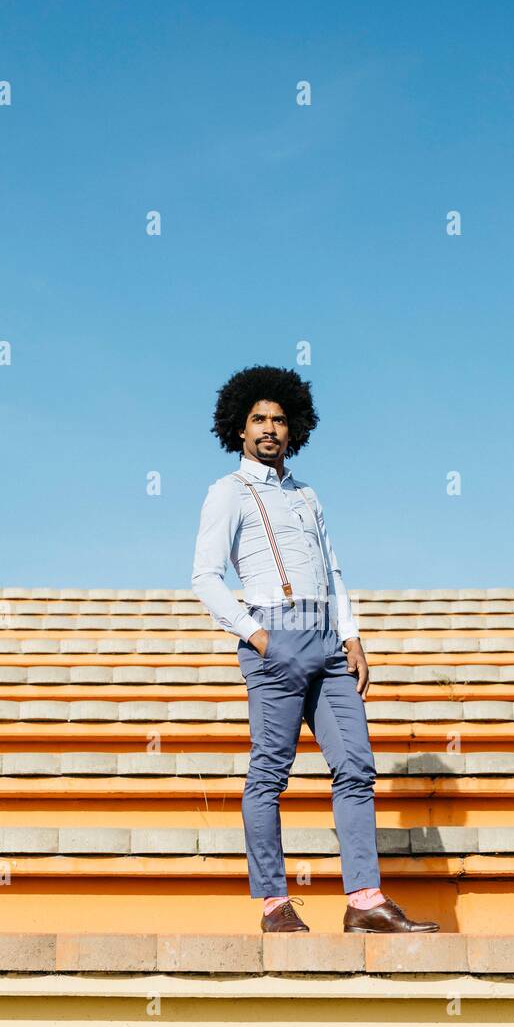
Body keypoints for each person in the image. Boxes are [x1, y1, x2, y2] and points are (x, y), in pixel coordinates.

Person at [191, 364, 439, 934]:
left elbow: (332, 569)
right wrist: (256, 635)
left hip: (327, 640)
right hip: (272, 638)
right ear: (238, 428)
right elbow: (204, 577)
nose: (269, 429)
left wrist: (351, 633)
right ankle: (275, 906)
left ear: (294, 426)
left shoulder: (307, 495)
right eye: (258, 419)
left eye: (279, 419)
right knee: (269, 774)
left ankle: (365, 901)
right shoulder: (225, 493)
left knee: (356, 765)